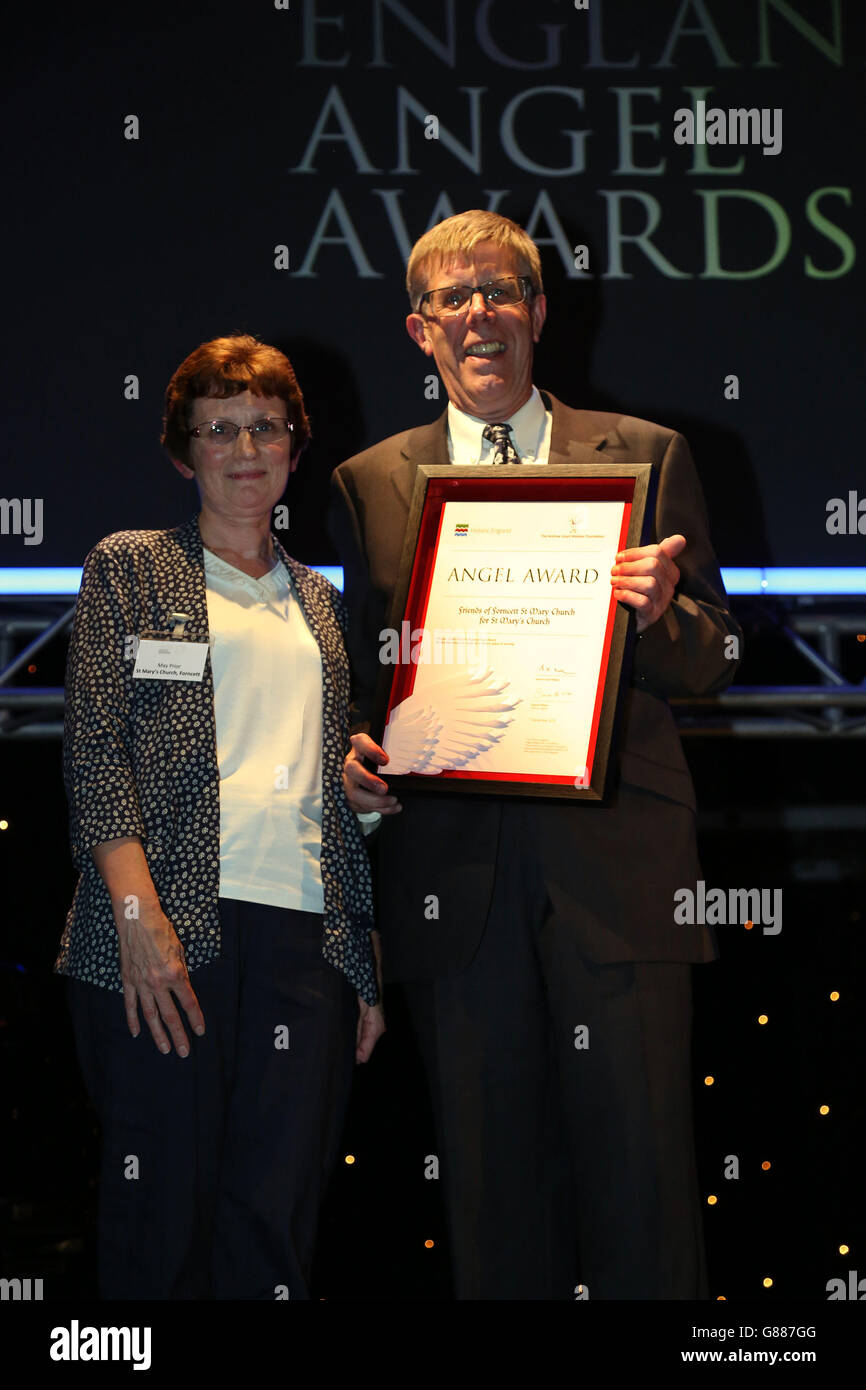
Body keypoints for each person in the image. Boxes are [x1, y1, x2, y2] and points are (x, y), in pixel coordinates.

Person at [329, 211, 742, 1300]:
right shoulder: (368, 479)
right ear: (417, 330)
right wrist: (359, 756)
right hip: (453, 887)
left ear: (539, 311)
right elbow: (372, 675)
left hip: (618, 877)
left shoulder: (647, 455)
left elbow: (716, 657)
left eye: (500, 292)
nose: (478, 316)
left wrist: (659, 616)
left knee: (644, 1192)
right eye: (451, 300)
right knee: (491, 1202)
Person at [57, 334, 384, 1300]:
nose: (247, 449)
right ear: (181, 450)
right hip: (165, 934)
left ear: (295, 444)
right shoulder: (131, 569)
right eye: (220, 429)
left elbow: (329, 790)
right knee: (158, 1231)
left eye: (266, 426)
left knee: (274, 1236)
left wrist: (358, 959)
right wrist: (135, 920)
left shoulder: (322, 605)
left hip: (305, 950)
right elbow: (95, 754)